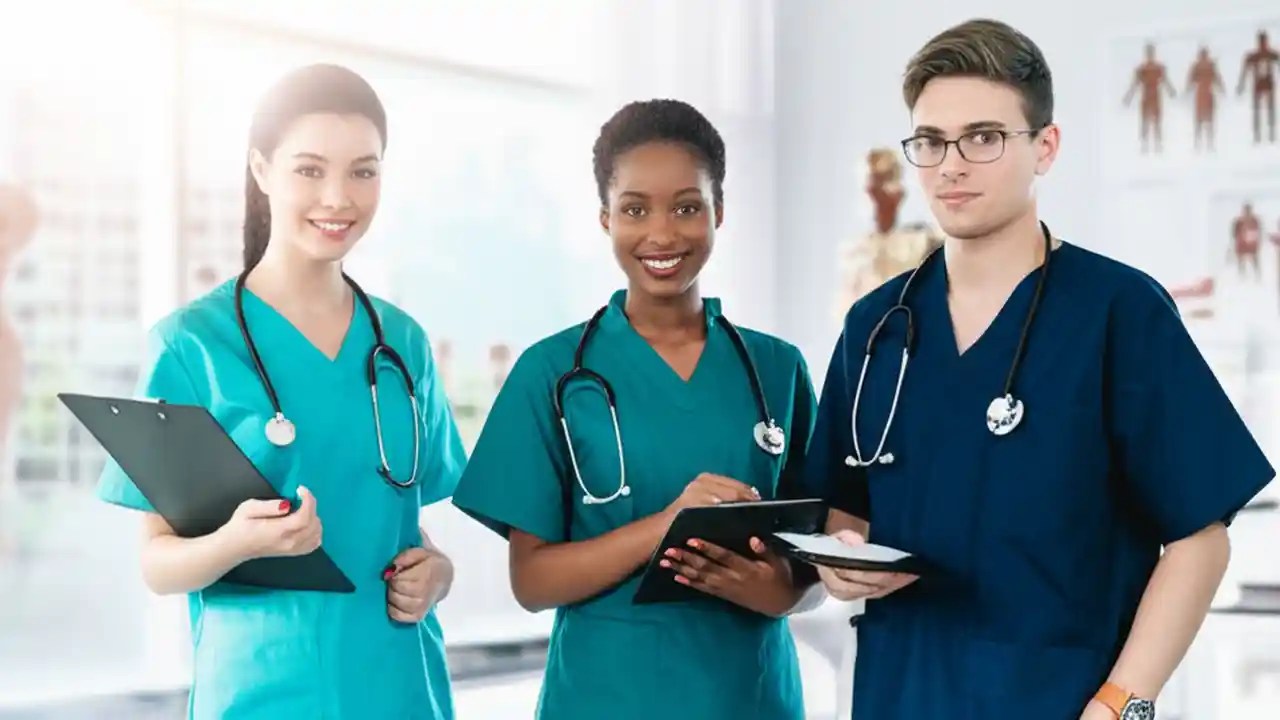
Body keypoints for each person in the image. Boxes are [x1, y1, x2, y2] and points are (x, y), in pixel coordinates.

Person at [801, 19, 1274, 720]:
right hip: (901, 696)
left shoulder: (1117, 311)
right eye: (930, 142)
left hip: (1064, 700)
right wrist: (836, 563)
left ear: (1044, 147)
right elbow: (843, 509)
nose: (951, 165)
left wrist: (1122, 705)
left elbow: (1200, 540)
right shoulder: (876, 327)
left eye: (983, 138)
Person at [95, 64, 467, 719]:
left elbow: (391, 517)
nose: (338, 197)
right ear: (262, 170)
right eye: (309, 169)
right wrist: (237, 542)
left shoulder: (401, 342)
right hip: (262, 694)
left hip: (400, 686)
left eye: (364, 170)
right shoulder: (191, 346)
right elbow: (158, 564)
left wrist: (438, 572)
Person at [451, 99, 821, 720]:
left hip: (752, 699)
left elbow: (816, 560)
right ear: (605, 219)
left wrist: (781, 592)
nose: (662, 233)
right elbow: (533, 583)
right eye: (634, 209)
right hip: (604, 698)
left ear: (718, 212)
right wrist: (668, 525)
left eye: (686, 207)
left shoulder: (776, 368)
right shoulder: (553, 373)